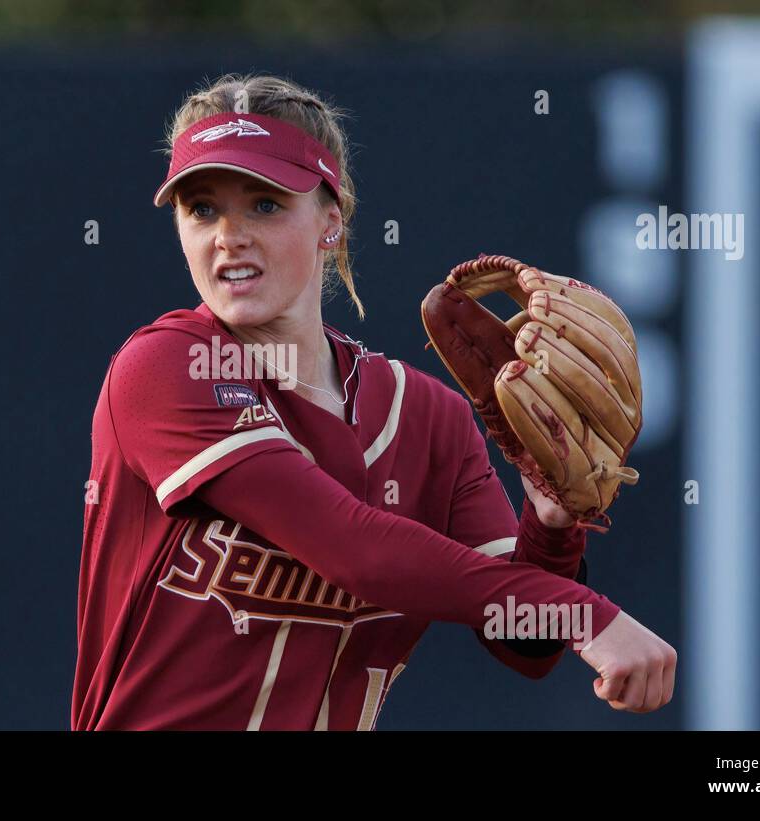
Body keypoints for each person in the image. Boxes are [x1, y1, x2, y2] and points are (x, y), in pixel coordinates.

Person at [72, 73, 675, 730]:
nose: (229, 236)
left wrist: (553, 526)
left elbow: (523, 640)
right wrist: (585, 613)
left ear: (331, 222)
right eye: (203, 208)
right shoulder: (167, 367)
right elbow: (357, 552)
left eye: (266, 205)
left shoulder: (428, 417)